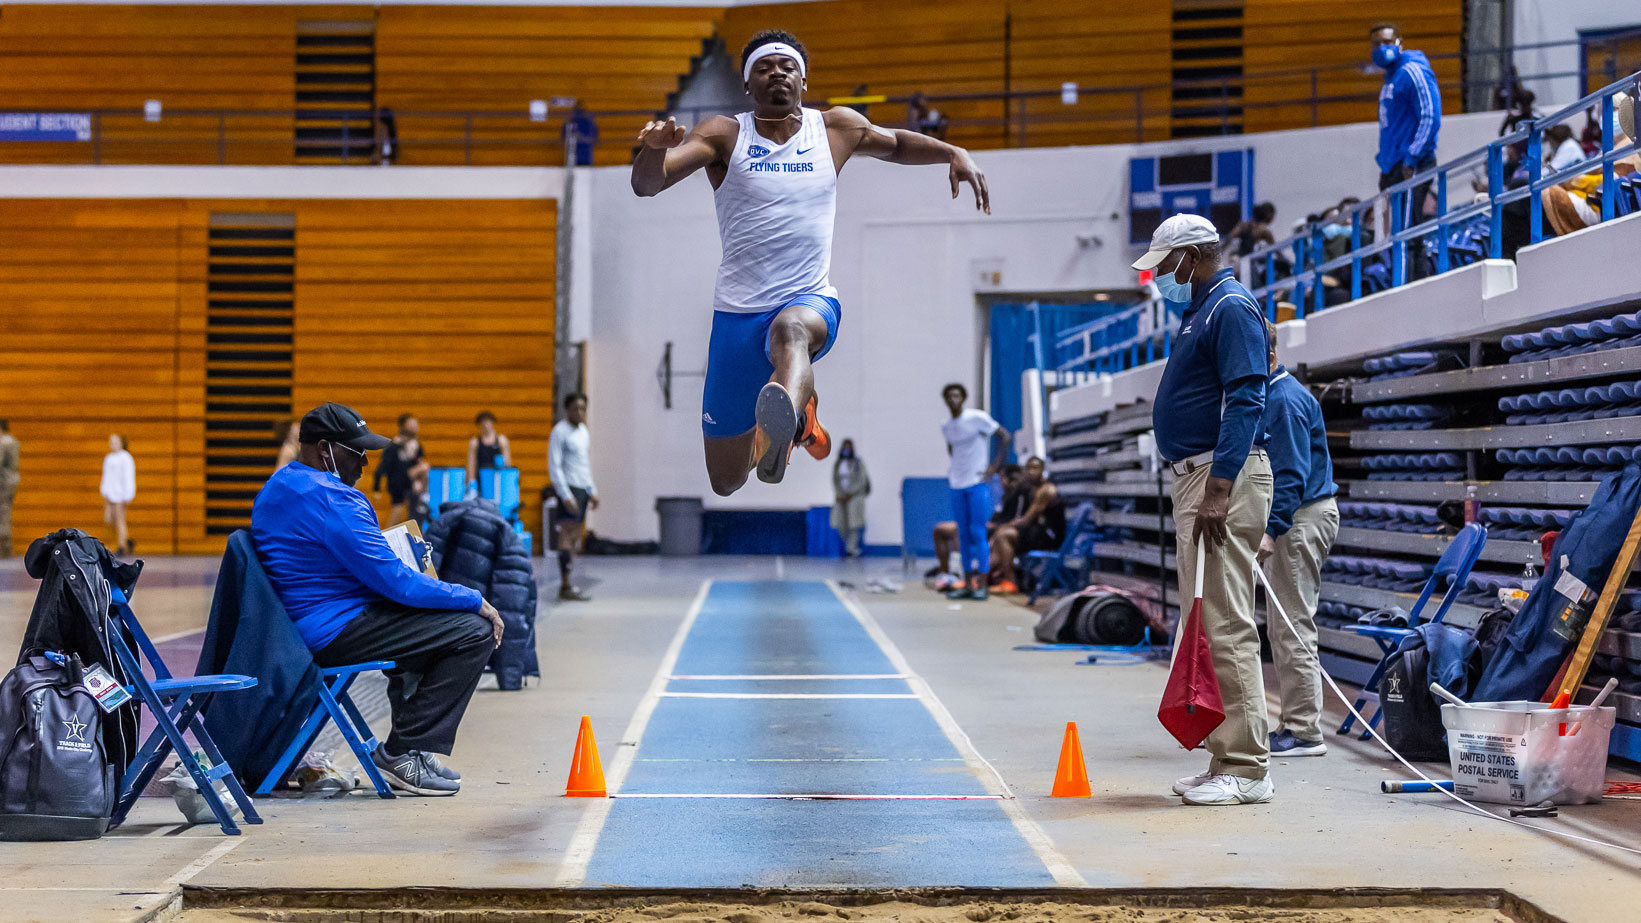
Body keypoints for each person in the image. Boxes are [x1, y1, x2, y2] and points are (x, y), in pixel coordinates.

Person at [630, 29, 989, 496]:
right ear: (747, 85)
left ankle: (789, 411)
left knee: (790, 331)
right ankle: (797, 424)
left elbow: (897, 143)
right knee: (725, 479)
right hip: (737, 315)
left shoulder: (835, 128)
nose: (777, 73)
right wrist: (654, 149)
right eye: (764, 67)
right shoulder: (725, 134)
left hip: (809, 298)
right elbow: (647, 185)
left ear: (803, 79)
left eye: (787, 67)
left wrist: (952, 151)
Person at [252, 402, 505, 797]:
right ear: (325, 449)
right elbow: (398, 583)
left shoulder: (278, 487)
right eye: (358, 453)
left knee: (424, 623)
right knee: (473, 631)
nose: (366, 465)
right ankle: (402, 752)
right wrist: (473, 598)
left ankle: (411, 749)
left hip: (299, 630)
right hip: (334, 632)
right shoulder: (334, 499)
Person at [1132, 213, 1273, 806]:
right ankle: (1225, 759)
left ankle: (1248, 767)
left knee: (1225, 621)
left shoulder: (1230, 307)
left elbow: (1247, 395)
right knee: (1205, 624)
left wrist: (1218, 489)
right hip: (1197, 477)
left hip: (1220, 479)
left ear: (1189, 257)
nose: (1157, 279)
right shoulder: (1203, 309)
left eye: (1162, 267)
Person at [1254, 321, 1338, 758]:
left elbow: (1289, 476)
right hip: (1298, 516)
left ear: (1269, 357)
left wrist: (1271, 529)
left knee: (1291, 625)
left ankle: (1304, 730)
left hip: (1300, 517)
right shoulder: (1274, 395)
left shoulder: (1284, 401)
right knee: (1282, 625)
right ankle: (1295, 723)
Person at [1371, 22, 1441, 278]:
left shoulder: (1412, 71)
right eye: (1376, 43)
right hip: (1392, 166)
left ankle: (1407, 294)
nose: (1381, 48)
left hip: (1410, 165)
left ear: (1400, 42)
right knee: (1399, 236)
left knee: (1406, 236)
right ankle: (1410, 289)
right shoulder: (1390, 78)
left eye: (1387, 42)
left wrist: (1411, 157)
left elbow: (1430, 116)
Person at [941, 382, 1009, 601]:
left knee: (977, 531)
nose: (954, 399)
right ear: (946, 400)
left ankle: (982, 583)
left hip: (977, 482)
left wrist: (995, 466)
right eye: (950, 396)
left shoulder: (977, 418)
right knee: (962, 533)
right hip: (956, 484)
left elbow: (1005, 436)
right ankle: (967, 582)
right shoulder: (947, 426)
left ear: (963, 398)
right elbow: (953, 450)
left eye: (957, 395)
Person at [926, 463, 1025, 589]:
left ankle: (959, 574)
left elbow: (1016, 521)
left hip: (993, 530)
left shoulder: (1019, 495)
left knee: (961, 531)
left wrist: (993, 526)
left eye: (1003, 478)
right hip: (988, 527)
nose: (1001, 481)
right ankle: (945, 574)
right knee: (940, 529)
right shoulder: (1004, 495)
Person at [988, 456, 1066, 593]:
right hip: (1036, 533)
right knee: (1000, 534)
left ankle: (1010, 582)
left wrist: (1005, 525)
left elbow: (1026, 520)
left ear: (1042, 469)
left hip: (1050, 537)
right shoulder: (1029, 490)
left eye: (1035, 468)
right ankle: (986, 575)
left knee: (1003, 535)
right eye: (1028, 468)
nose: (1031, 471)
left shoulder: (1046, 490)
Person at [547, 392, 598, 602]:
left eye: (583, 408)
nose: (579, 412)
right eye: (575, 408)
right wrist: (565, 494)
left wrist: (592, 490)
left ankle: (568, 582)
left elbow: (583, 464)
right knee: (566, 536)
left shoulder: (583, 431)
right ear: (567, 409)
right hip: (569, 489)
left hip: (582, 489)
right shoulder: (560, 432)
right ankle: (565, 584)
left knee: (576, 537)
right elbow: (555, 465)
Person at [374, 413, 429, 525]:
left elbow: (420, 462)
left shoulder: (417, 445)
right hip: (397, 483)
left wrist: (420, 482)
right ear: (403, 426)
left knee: (413, 515)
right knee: (397, 512)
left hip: (411, 485)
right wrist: (377, 485)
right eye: (412, 424)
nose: (415, 426)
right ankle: (388, 538)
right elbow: (383, 465)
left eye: (416, 423)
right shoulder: (394, 445)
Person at [830, 438, 870, 557]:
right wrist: (840, 494)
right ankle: (848, 545)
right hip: (841, 497)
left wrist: (851, 494)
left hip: (855, 498)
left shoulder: (858, 463)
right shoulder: (838, 464)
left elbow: (861, 481)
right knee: (840, 523)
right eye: (845, 447)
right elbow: (835, 481)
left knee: (854, 524)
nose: (847, 450)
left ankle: (851, 549)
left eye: (849, 447)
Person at [101, 434, 136, 558]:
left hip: (120, 495)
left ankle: (122, 546)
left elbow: (128, 476)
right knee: (110, 519)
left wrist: (128, 494)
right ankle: (127, 541)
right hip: (110, 494)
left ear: (121, 443)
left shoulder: (125, 458)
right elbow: (106, 476)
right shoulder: (109, 458)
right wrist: (104, 491)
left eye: (115, 442)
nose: (113, 444)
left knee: (120, 521)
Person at [466, 411, 512, 487]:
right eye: (483, 422)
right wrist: (471, 483)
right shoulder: (475, 442)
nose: (486, 425)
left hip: (497, 479)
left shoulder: (501, 440)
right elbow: (471, 464)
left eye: (488, 421)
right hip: (481, 479)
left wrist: (507, 480)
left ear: (492, 423)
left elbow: (507, 462)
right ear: (480, 424)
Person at [0, 419, 16, 558]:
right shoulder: (13, 440)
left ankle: (5, 548)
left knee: (3, 513)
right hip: (11, 481)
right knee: (5, 512)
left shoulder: (4, 442)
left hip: (4, 483)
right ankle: (6, 547)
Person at [564, 101, 598, 167]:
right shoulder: (570, 122)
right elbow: (564, 139)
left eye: (580, 111)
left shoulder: (589, 123)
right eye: (577, 111)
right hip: (572, 155)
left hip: (586, 155)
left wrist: (580, 137)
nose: (579, 113)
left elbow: (594, 139)